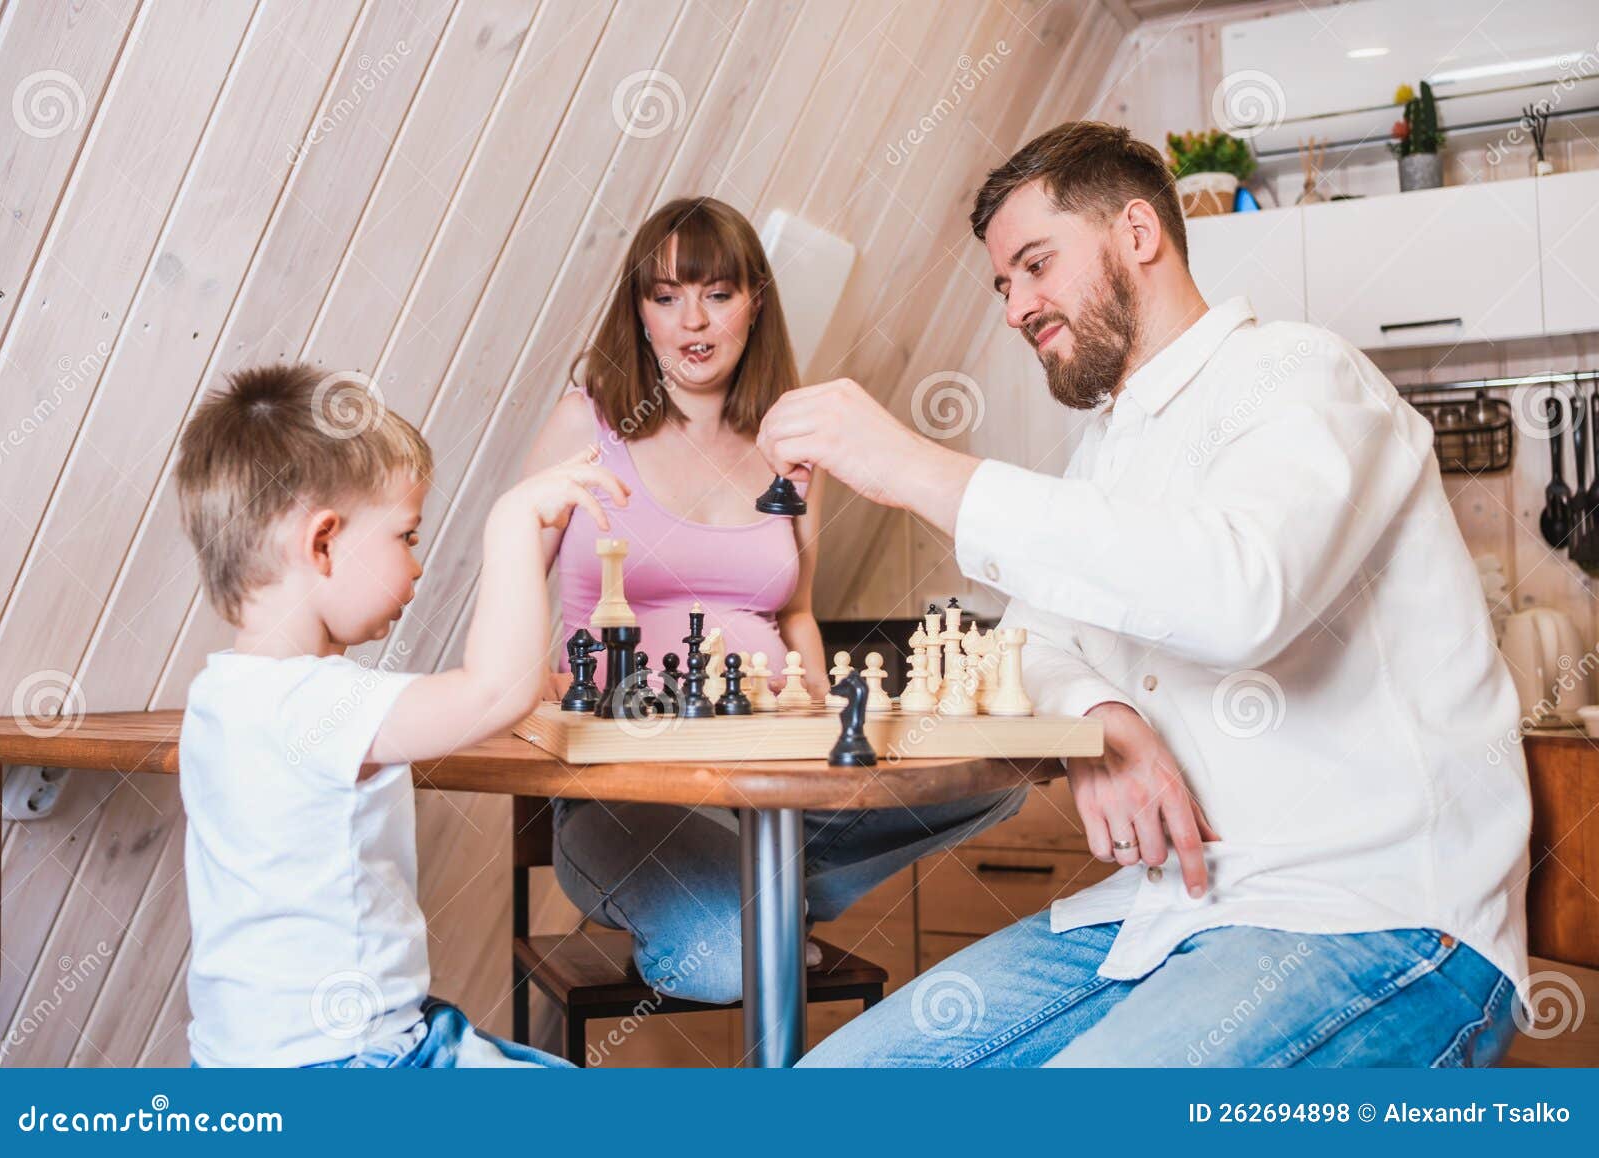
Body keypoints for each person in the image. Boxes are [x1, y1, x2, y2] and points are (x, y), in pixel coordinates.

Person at [767, 122, 1529, 1067]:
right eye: (1003, 284)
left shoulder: (1302, 377)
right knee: (829, 1087)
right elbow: (1033, 644)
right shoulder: (1107, 450)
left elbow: (1241, 595)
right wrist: (1104, 716)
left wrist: (914, 469)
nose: (1015, 307)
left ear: (1138, 232)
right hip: (1165, 913)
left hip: (1376, 919)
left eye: (1036, 265)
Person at [521, 197, 1027, 1003]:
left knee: (1000, 773)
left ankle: (766, 897)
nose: (693, 320)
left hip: (770, 781)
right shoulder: (586, 424)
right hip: (624, 793)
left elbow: (794, 615)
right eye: (665, 296)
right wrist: (527, 685)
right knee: (728, 964)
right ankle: (766, 913)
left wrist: (828, 719)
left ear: (755, 302)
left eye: (717, 294)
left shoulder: (791, 449)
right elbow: (510, 577)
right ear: (639, 313)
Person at [174, 362, 626, 1067]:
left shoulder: (222, 697)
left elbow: (482, 693)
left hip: (245, 1061)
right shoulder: (313, 704)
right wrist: (512, 522)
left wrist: (515, 682)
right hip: (350, 1066)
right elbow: (489, 693)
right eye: (406, 536)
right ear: (322, 543)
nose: (416, 567)